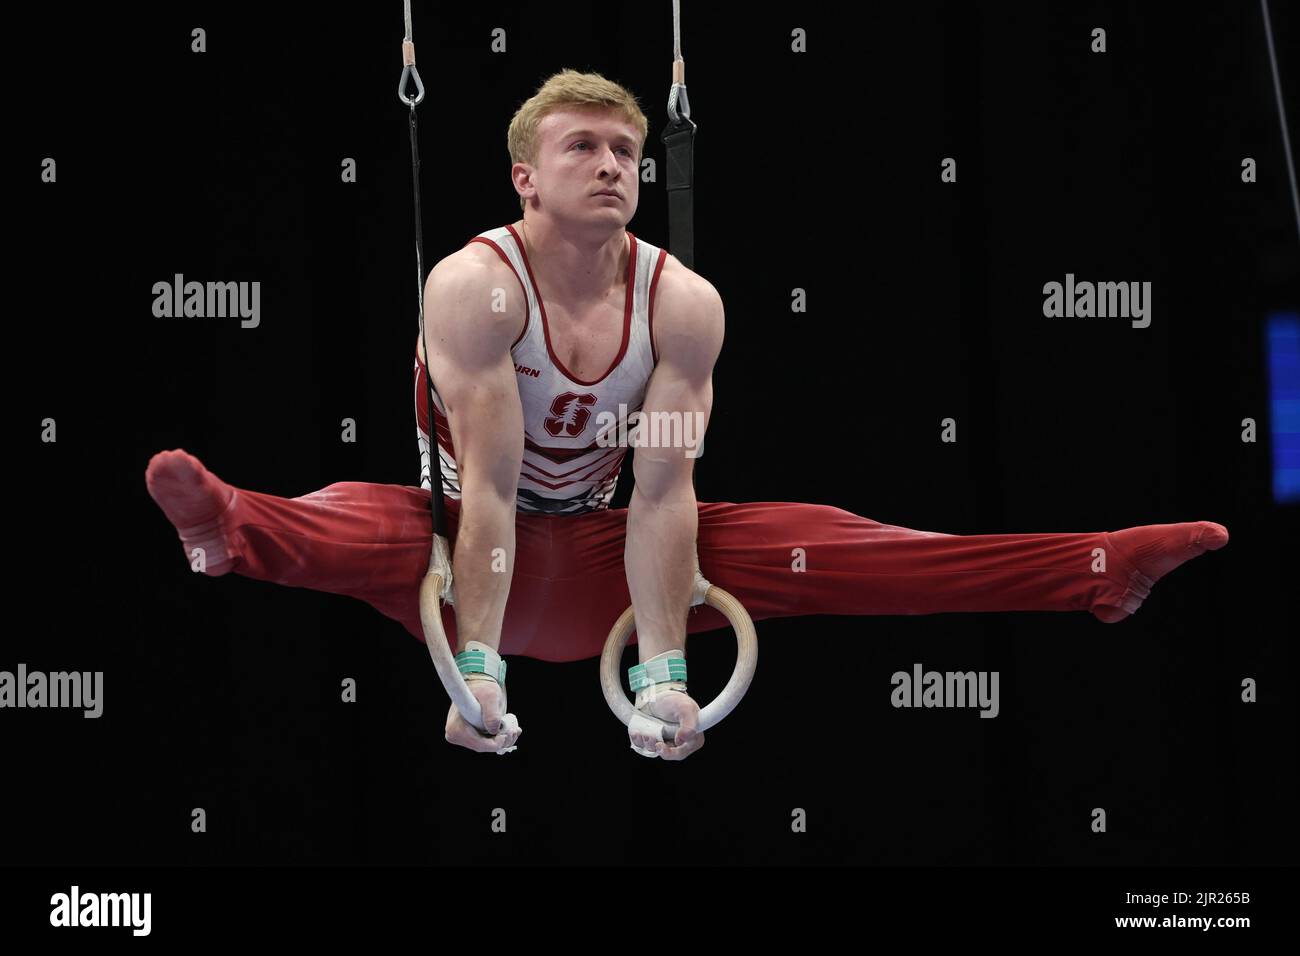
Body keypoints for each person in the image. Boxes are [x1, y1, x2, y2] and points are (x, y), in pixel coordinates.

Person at [145, 70, 1229, 762]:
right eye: (583, 147)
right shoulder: (473, 289)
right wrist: (476, 667)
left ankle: (1090, 566)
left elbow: (662, 492)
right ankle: (227, 527)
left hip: (615, 556)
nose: (613, 164)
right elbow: (480, 487)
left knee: (822, 540)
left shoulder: (682, 306)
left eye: (626, 151)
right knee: (356, 515)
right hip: (455, 549)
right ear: (525, 176)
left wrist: (665, 679)